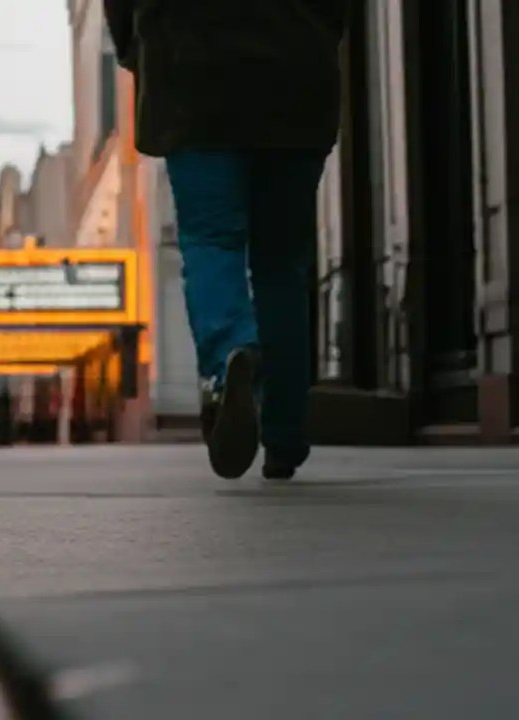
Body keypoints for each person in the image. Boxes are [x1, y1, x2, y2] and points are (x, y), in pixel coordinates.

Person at [104, 0, 347, 480]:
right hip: (295, 67)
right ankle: (284, 435)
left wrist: (138, 48)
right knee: (281, 265)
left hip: (190, 71)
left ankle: (231, 355)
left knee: (211, 239)